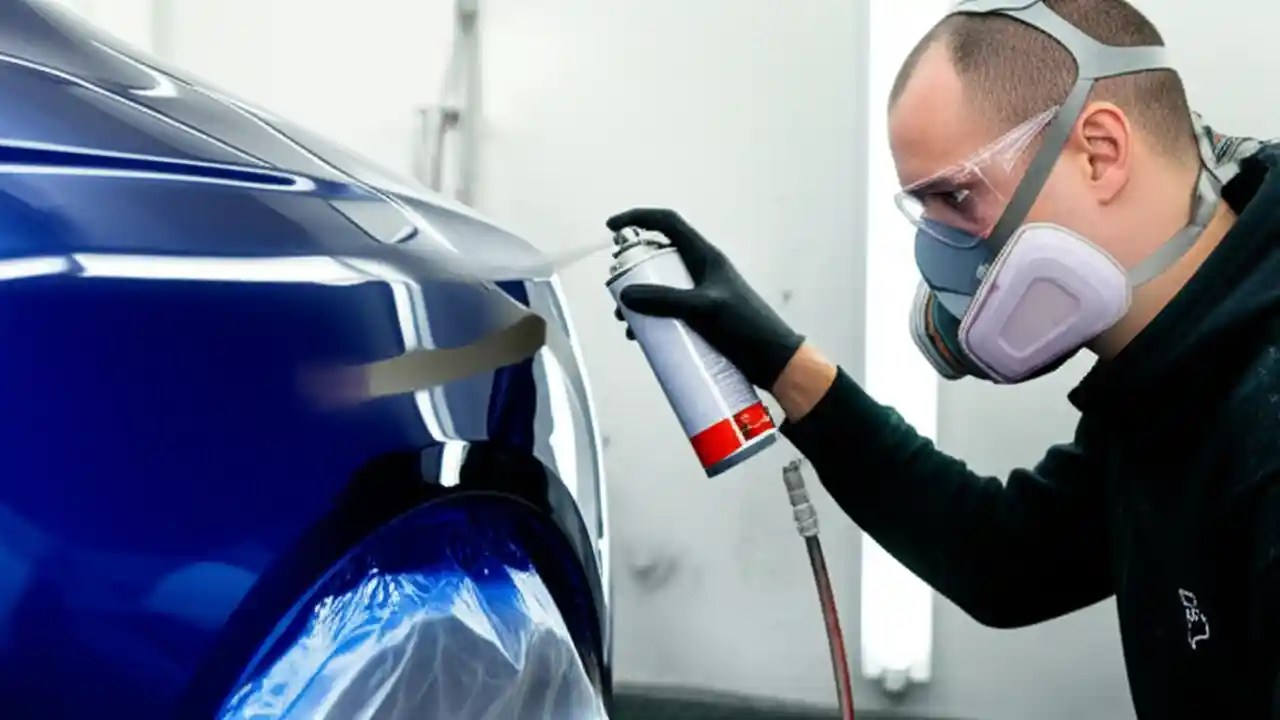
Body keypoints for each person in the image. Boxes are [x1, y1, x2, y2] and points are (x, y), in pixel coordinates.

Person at [608, 0, 1280, 717]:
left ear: (1100, 153)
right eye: (927, 213)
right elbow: (1009, 562)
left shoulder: (1260, 422)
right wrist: (779, 360)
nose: (942, 254)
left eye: (957, 196)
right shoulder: (1169, 374)